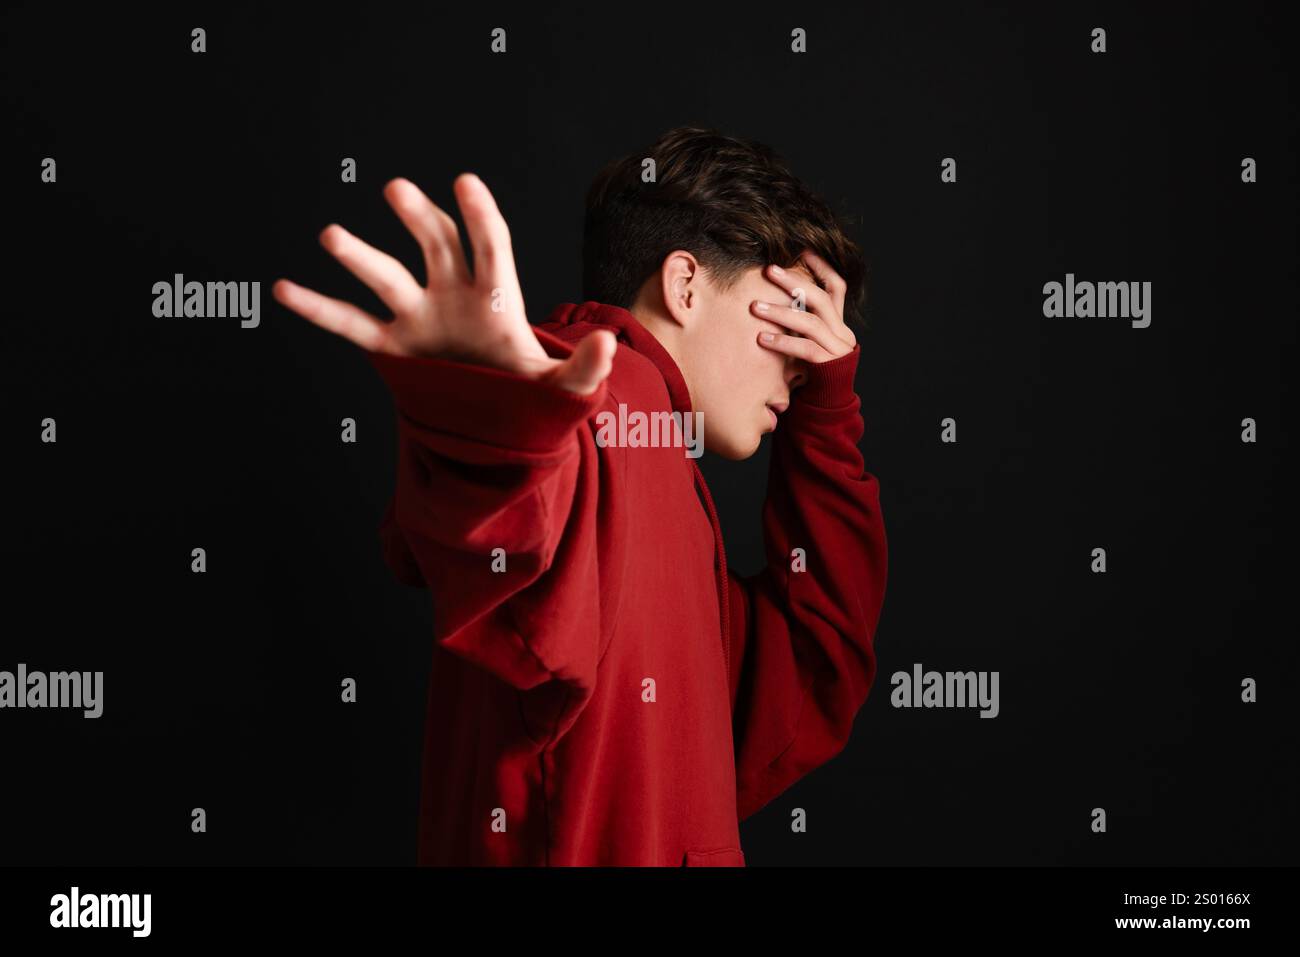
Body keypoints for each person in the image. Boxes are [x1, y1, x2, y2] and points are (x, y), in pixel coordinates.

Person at [272, 127, 889, 866]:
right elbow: (524, 499)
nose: (805, 358)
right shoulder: (610, 400)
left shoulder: (667, 458)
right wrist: (488, 406)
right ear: (685, 285)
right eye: (791, 314)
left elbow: (809, 671)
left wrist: (825, 415)